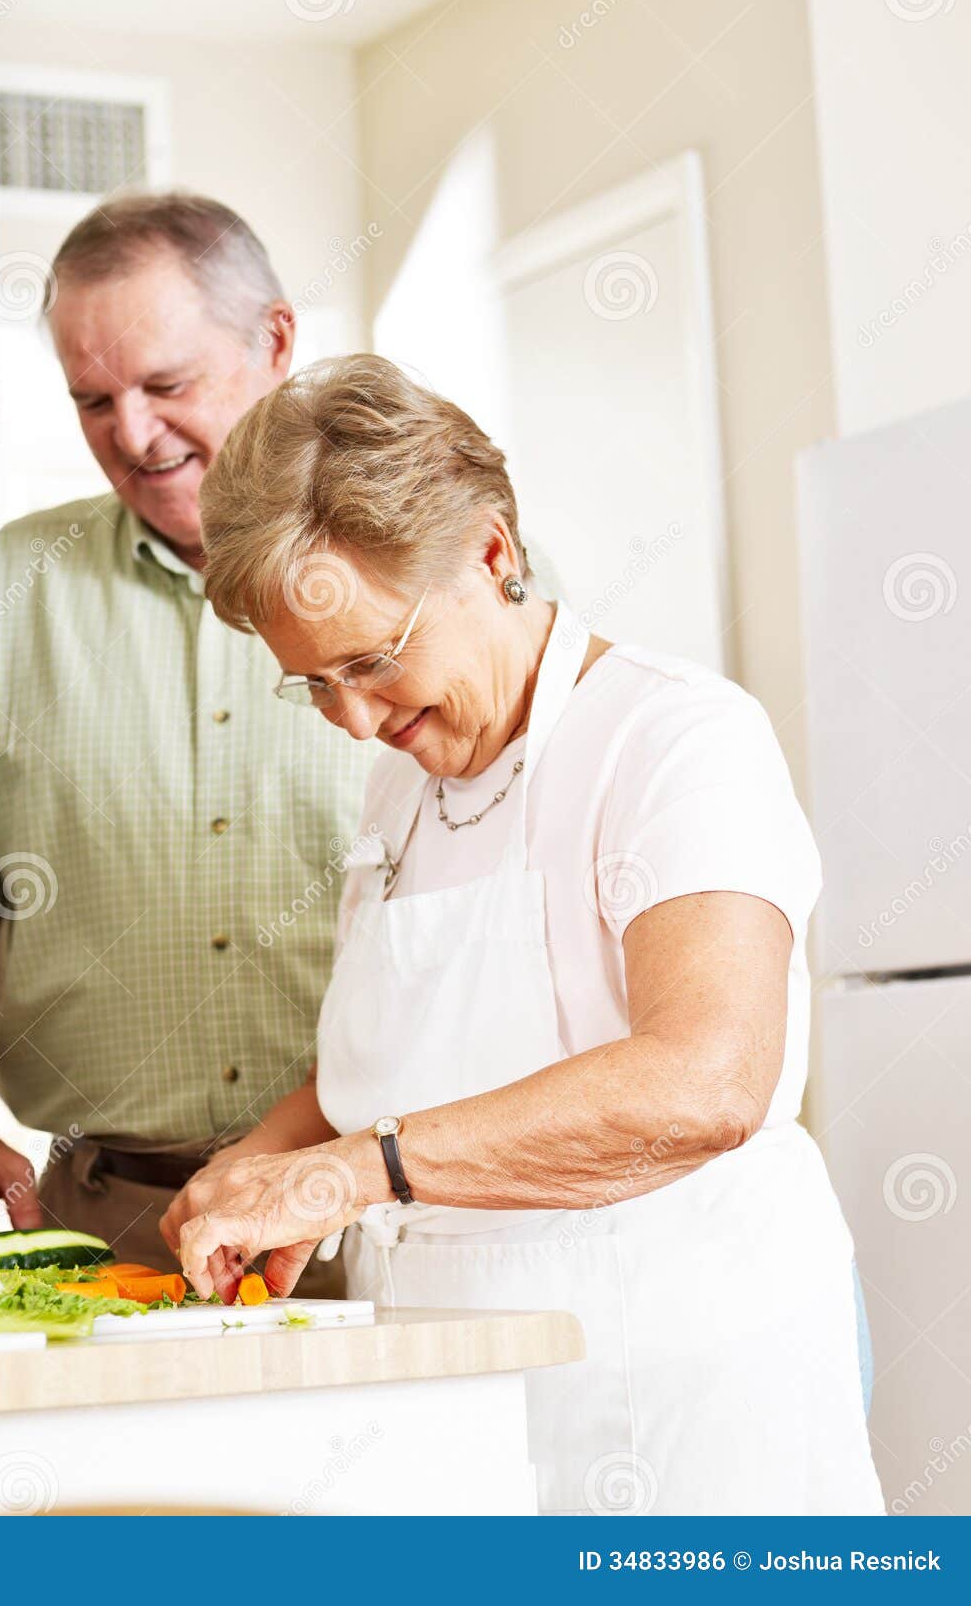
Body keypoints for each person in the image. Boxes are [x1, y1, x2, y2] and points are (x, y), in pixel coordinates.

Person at [162, 353, 882, 1514]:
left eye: (372, 661)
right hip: (464, 1404)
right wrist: (263, 1164)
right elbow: (413, 1056)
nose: (353, 721)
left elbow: (707, 1080)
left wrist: (355, 1174)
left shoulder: (673, 738)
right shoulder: (406, 777)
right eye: (313, 686)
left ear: (491, 555)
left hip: (679, 1399)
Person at [0, 195, 371, 1280]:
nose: (130, 434)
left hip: (371, 1205)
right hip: (101, 1221)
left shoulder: (428, 570)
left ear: (273, 341)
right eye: (93, 400)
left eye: (167, 385)